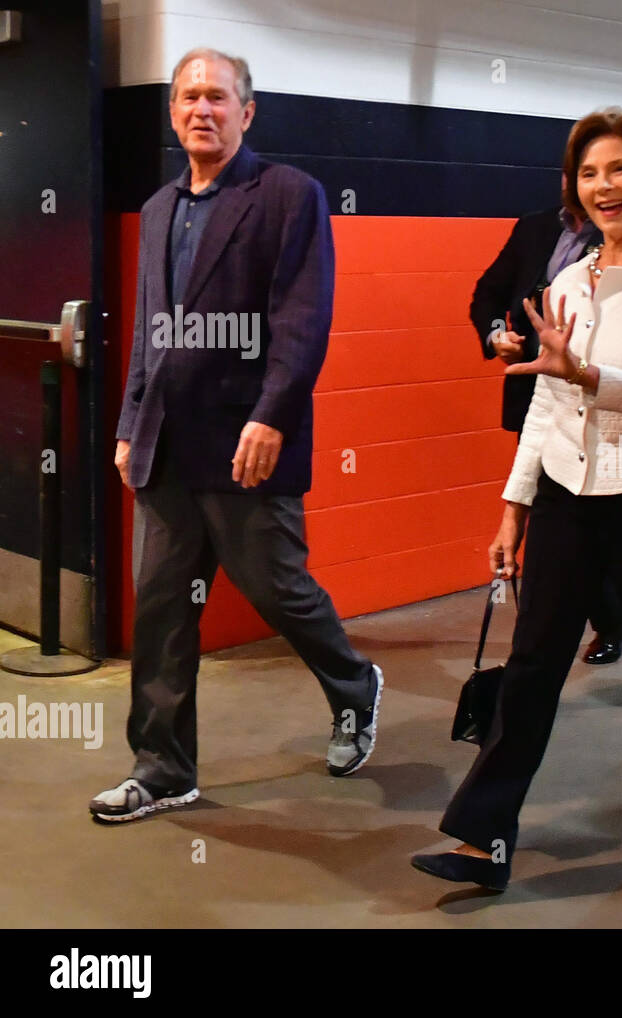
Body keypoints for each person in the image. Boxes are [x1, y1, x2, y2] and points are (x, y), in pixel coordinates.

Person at [412, 107, 622, 890]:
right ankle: (483, 838)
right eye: (588, 174)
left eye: (618, 169)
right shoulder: (566, 282)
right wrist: (513, 509)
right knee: (531, 666)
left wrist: (589, 375)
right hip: (565, 496)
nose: (602, 186)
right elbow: (548, 405)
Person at [92, 48, 382, 823]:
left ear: (246, 113)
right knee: (161, 610)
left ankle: (355, 686)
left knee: (279, 592)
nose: (202, 109)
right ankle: (162, 770)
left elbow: (302, 319)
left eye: (218, 97)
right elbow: (152, 333)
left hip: (248, 443)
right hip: (166, 448)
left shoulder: (287, 195)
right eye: (189, 96)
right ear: (172, 111)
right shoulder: (159, 209)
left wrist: (271, 414)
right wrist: (130, 424)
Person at [469, 199, 622, 665]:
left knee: (592, 522)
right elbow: (488, 294)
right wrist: (497, 335)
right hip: (535, 395)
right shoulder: (533, 227)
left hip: (601, 402)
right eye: (580, 171)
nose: (589, 183)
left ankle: (608, 620)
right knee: (549, 517)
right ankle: (556, 634)